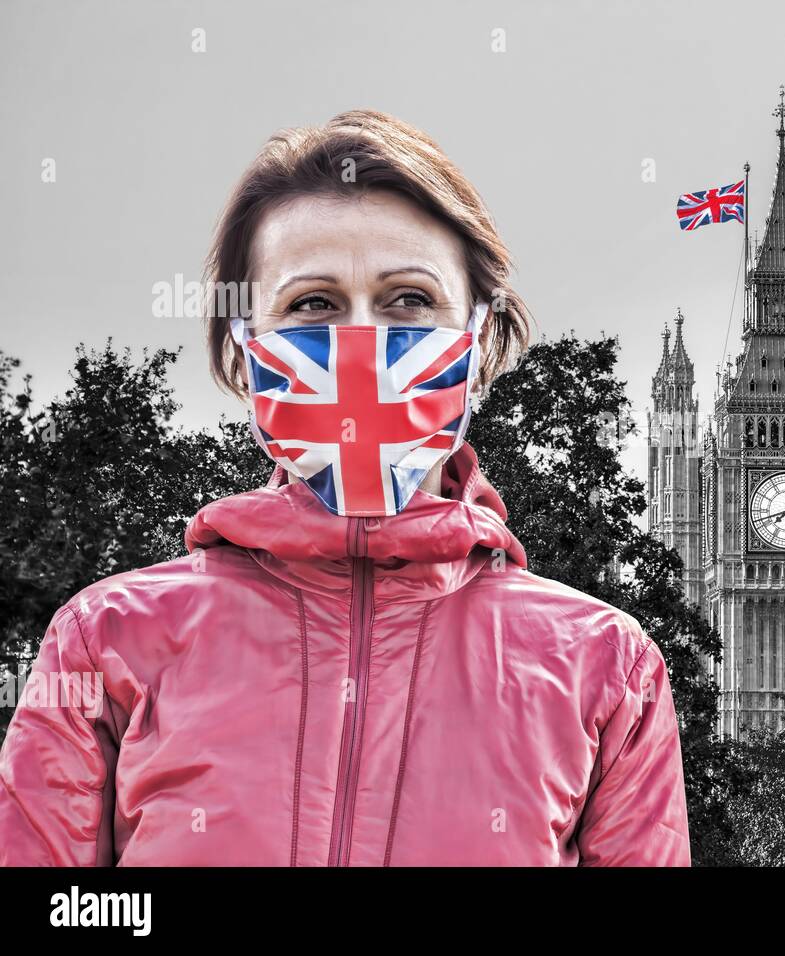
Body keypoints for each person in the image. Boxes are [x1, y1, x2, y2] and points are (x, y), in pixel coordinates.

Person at [0, 109, 691, 866]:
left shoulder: (607, 670)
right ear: (242, 351)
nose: (361, 342)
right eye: (313, 304)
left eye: (409, 300)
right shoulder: (105, 643)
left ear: (481, 339)